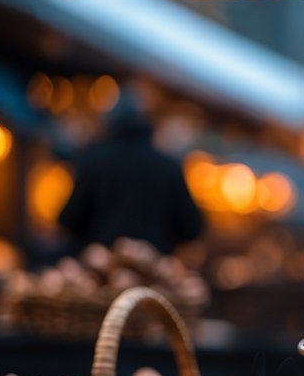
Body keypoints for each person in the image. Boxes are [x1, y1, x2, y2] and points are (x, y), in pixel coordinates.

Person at [58, 90, 204, 256]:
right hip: (153, 272)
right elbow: (191, 228)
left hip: (99, 271)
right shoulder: (168, 166)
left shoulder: (93, 160)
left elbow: (69, 219)